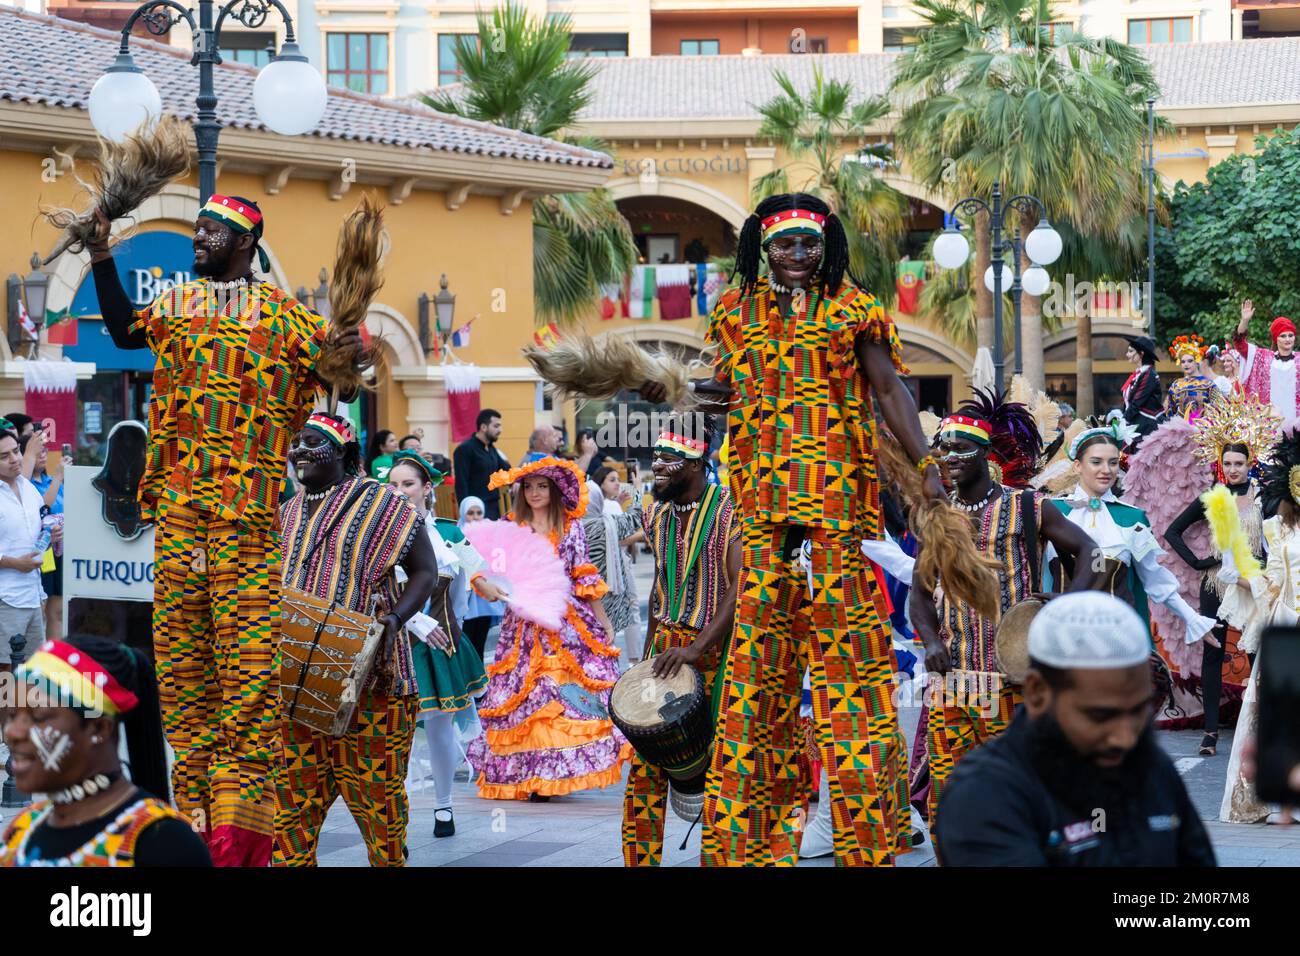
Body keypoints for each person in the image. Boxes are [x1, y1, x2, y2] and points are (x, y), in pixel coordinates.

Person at [640, 191, 946, 866]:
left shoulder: (853, 307)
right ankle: (749, 844)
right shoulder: (733, 311)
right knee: (756, 680)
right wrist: (701, 394)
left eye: (810, 244)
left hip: (837, 502)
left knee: (851, 677)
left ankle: (870, 836)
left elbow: (890, 388)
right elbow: (722, 388)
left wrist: (925, 465)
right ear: (763, 248)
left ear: (826, 245)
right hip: (761, 503)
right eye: (786, 245)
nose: (800, 256)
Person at [86, 196, 364, 865]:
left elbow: (344, 387)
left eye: (212, 230)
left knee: (248, 690)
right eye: (197, 228)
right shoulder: (176, 305)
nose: (199, 239)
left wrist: (350, 355)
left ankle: (240, 848)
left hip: (246, 526)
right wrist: (100, 253)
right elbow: (124, 330)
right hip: (180, 519)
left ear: (247, 242)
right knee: (183, 688)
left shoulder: (290, 319)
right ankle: (195, 837)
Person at [909, 393, 1099, 847]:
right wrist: (930, 640)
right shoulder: (938, 517)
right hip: (953, 682)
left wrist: (1062, 607)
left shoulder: (1028, 506)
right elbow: (919, 593)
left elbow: (1091, 553)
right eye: (943, 450)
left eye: (961, 450)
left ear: (985, 453)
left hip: (1014, 680)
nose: (950, 459)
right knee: (950, 799)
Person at [935, 592, 1217, 867]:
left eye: (1138, 711)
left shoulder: (1153, 769)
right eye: (1100, 715)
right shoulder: (985, 794)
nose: (1124, 736)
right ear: (1038, 693)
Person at [273, 414, 438, 866]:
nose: (301, 451)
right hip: (296, 684)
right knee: (288, 815)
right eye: (297, 443)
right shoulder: (285, 511)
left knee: (379, 810)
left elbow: (427, 570)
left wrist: (395, 620)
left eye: (314, 442)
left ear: (344, 453)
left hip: (371, 683)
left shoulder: (381, 502)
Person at [467, 457, 631, 800]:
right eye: (528, 487)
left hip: (566, 625)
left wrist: (603, 622)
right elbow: (484, 572)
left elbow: (583, 578)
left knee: (561, 695)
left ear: (554, 490)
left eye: (542, 486)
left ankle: (556, 772)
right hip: (523, 629)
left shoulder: (571, 528)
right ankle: (534, 775)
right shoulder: (512, 527)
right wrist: (487, 586)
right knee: (531, 698)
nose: (535, 493)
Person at [623, 422, 741, 866]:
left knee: (719, 766)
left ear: (696, 464)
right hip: (665, 652)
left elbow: (739, 586)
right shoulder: (655, 516)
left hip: (713, 652)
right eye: (654, 456)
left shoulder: (730, 509)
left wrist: (696, 649)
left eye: (667, 459)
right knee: (645, 768)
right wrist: (647, 653)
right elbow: (659, 587)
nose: (656, 466)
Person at [1, 634, 212, 867]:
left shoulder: (165, 843)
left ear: (99, 727)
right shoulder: (23, 829)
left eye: (38, 717)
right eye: (12, 714)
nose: (13, 732)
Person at [1163, 394, 1278, 756]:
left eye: (1239, 463)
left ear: (1250, 463)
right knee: (1213, 655)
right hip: (1217, 584)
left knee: (1264, 653)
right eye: (1227, 463)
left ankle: (1261, 730)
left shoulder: (1264, 498)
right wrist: (1199, 564)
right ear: (1220, 464)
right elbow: (1172, 531)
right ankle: (1210, 733)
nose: (1233, 469)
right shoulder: (1212, 498)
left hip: (1255, 583)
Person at [387, 451, 491, 839]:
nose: (399, 492)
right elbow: (377, 591)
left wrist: (456, 623)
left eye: (408, 484)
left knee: (439, 730)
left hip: (442, 645)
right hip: (396, 643)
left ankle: (443, 806)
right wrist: (417, 620)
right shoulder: (382, 534)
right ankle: (393, 814)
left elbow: (472, 577)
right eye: (393, 484)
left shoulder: (449, 532)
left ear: (427, 488)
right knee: (391, 733)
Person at [1045, 420, 1218, 650]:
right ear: (1077, 466)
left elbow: (1155, 579)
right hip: (1063, 639)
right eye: (1096, 462)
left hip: (1115, 641)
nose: (1106, 470)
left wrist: (1194, 620)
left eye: (1113, 463)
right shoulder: (1051, 512)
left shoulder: (1132, 518)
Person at [0, 429, 57, 674]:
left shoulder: (29, 488)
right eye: (4, 456)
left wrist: (52, 537)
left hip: (34, 594)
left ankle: (26, 714)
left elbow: (37, 536)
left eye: (16, 451)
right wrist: (14, 563)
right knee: (6, 673)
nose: (14, 459)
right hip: (5, 599)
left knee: (34, 672)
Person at [582, 475, 644, 668]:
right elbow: (634, 517)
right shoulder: (605, 524)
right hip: (607, 591)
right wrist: (637, 491)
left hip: (586, 593)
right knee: (608, 636)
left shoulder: (573, 526)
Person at [20, 432, 70, 642]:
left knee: (57, 609)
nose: (43, 454)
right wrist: (58, 478)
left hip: (59, 550)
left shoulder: (51, 479)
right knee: (40, 608)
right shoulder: (24, 485)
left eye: (45, 451)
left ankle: (55, 658)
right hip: (42, 550)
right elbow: (42, 507)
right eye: (37, 451)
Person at [1234, 298, 1300, 422]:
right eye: (1283, 336)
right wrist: (1244, 321)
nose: (1287, 339)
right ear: (1276, 339)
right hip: (1269, 423)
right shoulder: (1264, 357)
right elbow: (1240, 344)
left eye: (1290, 335)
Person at [456, 496, 504, 660]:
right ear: (463, 513)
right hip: (466, 597)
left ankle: (481, 680)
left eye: (478, 513)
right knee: (467, 641)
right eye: (470, 513)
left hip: (484, 598)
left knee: (481, 639)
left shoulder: (489, 536)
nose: (475, 517)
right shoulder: (457, 535)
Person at [453, 409, 509, 521]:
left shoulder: (491, 448)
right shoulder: (464, 449)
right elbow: (461, 484)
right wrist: (466, 513)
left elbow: (507, 471)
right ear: (483, 427)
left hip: (493, 508)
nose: (500, 430)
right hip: (475, 513)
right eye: (496, 426)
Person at [1164, 334, 1219, 420]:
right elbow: (1169, 411)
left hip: (1204, 430)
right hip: (1181, 430)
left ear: (1196, 361)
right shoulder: (1176, 385)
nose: (1186, 364)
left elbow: (1218, 410)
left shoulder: (1209, 384)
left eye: (1190, 361)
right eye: (1183, 362)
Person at [1120, 335, 1163, 444]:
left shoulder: (1149, 375)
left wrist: (1123, 420)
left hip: (1148, 426)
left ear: (1141, 353)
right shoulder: (1139, 374)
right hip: (1137, 424)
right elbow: (1129, 402)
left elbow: (1137, 402)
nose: (1127, 354)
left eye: (1130, 351)